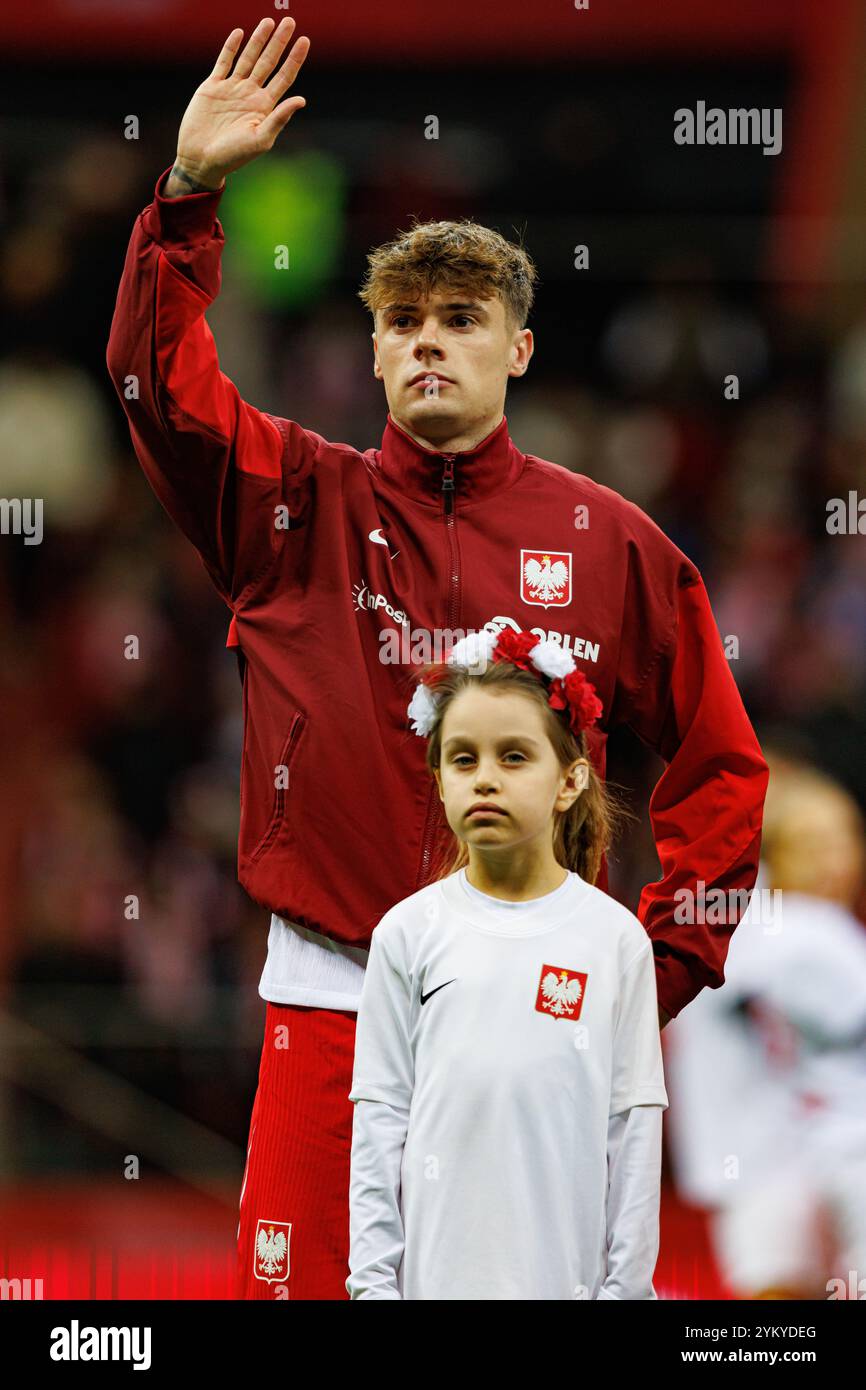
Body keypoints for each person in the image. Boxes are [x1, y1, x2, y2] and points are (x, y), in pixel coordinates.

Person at [105, 16, 769, 1299]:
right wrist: (186, 197)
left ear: (516, 349)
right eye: (400, 320)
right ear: (368, 350)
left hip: (533, 1008)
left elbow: (719, 765)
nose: (425, 340)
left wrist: (658, 960)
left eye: (459, 320)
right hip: (331, 1002)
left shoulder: (608, 540)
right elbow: (157, 386)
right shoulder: (293, 502)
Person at [347, 629, 669, 1299]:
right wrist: (373, 1290)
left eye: (514, 756)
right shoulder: (407, 935)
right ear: (438, 783)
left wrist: (625, 1292)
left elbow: (633, 1134)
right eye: (463, 760)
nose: (485, 777)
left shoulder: (614, 941)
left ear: (569, 781)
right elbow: (378, 1131)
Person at [664, 754, 866, 1298]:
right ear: (773, 853)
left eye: (843, 839)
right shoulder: (783, 928)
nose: (835, 860)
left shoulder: (787, 929)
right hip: (771, 1159)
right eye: (812, 844)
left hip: (810, 1156)